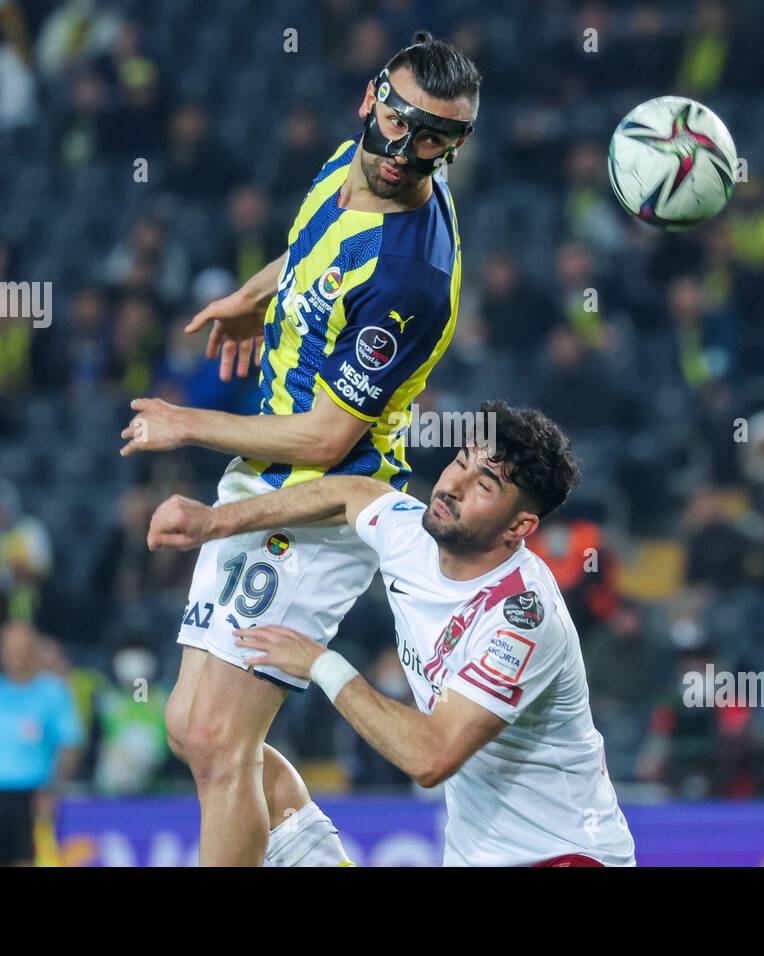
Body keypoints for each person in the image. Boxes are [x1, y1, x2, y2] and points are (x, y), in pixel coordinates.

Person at [118, 32, 480, 866]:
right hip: (270, 469)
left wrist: (186, 421)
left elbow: (327, 435)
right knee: (191, 729)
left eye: (436, 140)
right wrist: (256, 292)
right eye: (400, 120)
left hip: (322, 497)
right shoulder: (349, 167)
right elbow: (314, 251)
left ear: (455, 147)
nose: (406, 150)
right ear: (370, 100)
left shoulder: (410, 277)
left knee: (216, 738)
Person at [147, 402, 635, 866]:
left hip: (568, 854)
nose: (452, 486)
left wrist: (322, 663)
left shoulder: (521, 617)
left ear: (520, 526)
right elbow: (348, 492)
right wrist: (217, 521)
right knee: (203, 735)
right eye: (460, 461)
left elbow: (430, 757)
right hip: (474, 854)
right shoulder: (410, 534)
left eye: (483, 486)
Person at [0, 621, 82, 867]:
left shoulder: (53, 693)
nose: (13, 653)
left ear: (33, 648)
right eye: (7, 646)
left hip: (34, 798)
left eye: (20, 646)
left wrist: (52, 789)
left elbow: (70, 746)